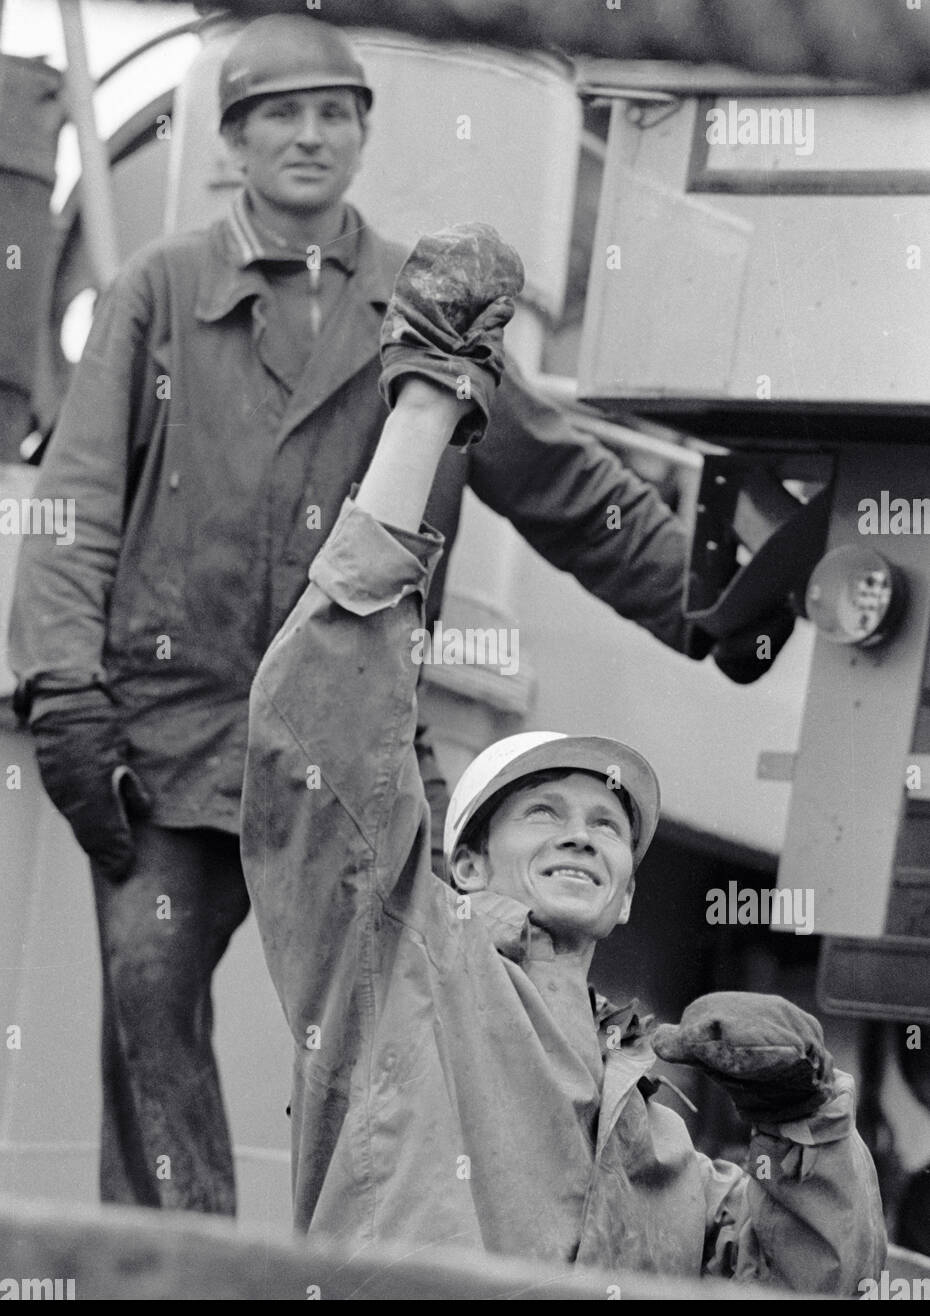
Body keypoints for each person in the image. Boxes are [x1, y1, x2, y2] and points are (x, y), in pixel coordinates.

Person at [8, 15, 787, 1215]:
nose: (308, 135)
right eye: (280, 113)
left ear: (365, 132)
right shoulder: (157, 294)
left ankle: (380, 1275)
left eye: (333, 111)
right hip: (164, 746)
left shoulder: (421, 315)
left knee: (396, 1022)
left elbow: (562, 484)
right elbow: (77, 509)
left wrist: (705, 604)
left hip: (352, 747)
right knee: (148, 986)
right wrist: (63, 697)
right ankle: (185, 1285)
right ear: (234, 140)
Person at [240, 223, 885, 1291]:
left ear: (632, 899)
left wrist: (804, 1116)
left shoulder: (666, 1142)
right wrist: (430, 397)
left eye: (608, 825)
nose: (585, 828)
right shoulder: (402, 961)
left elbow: (813, 1302)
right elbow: (319, 713)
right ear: (467, 863)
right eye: (542, 811)